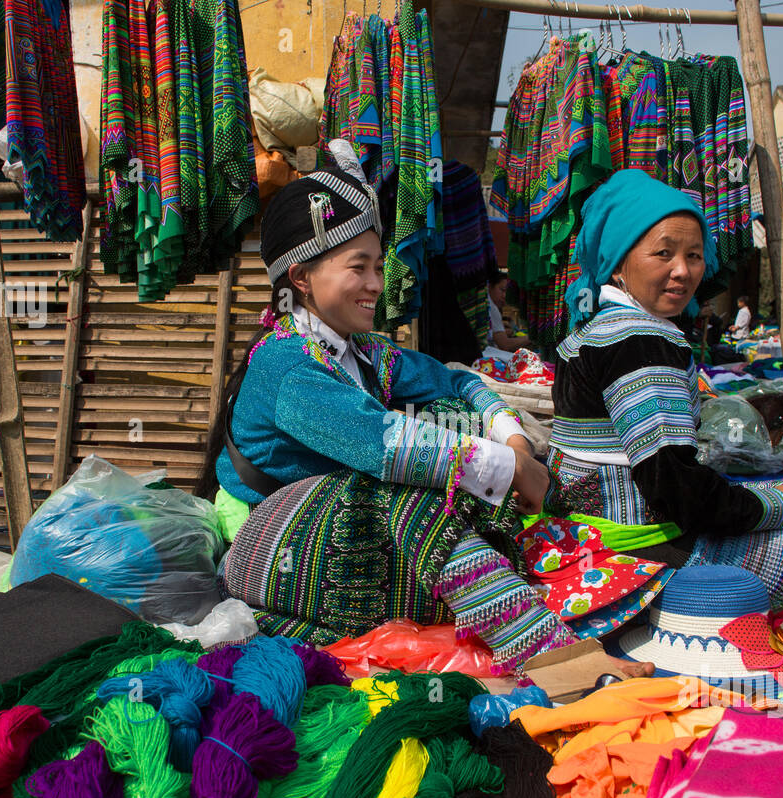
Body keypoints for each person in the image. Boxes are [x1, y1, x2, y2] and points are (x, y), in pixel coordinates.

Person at [197, 143, 651, 676]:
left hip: (347, 536)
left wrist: (515, 444)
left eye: (377, 265)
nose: (375, 283)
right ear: (300, 279)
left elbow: (459, 379)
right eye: (358, 267)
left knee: (448, 428)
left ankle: (531, 597)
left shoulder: (365, 353)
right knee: (411, 491)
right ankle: (552, 658)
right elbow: (383, 444)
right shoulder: (287, 365)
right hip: (268, 544)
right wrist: (509, 471)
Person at [549, 170, 783, 605]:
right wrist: (773, 508)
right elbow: (673, 487)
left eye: (694, 255)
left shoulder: (595, 331)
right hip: (637, 549)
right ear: (619, 262)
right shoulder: (642, 342)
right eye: (663, 253)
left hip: (577, 531)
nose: (682, 271)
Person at [486, 271, 522, 353]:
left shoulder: (491, 305)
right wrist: (531, 338)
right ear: (490, 286)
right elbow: (505, 345)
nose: (504, 296)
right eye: (502, 290)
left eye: (507, 293)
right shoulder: (490, 306)